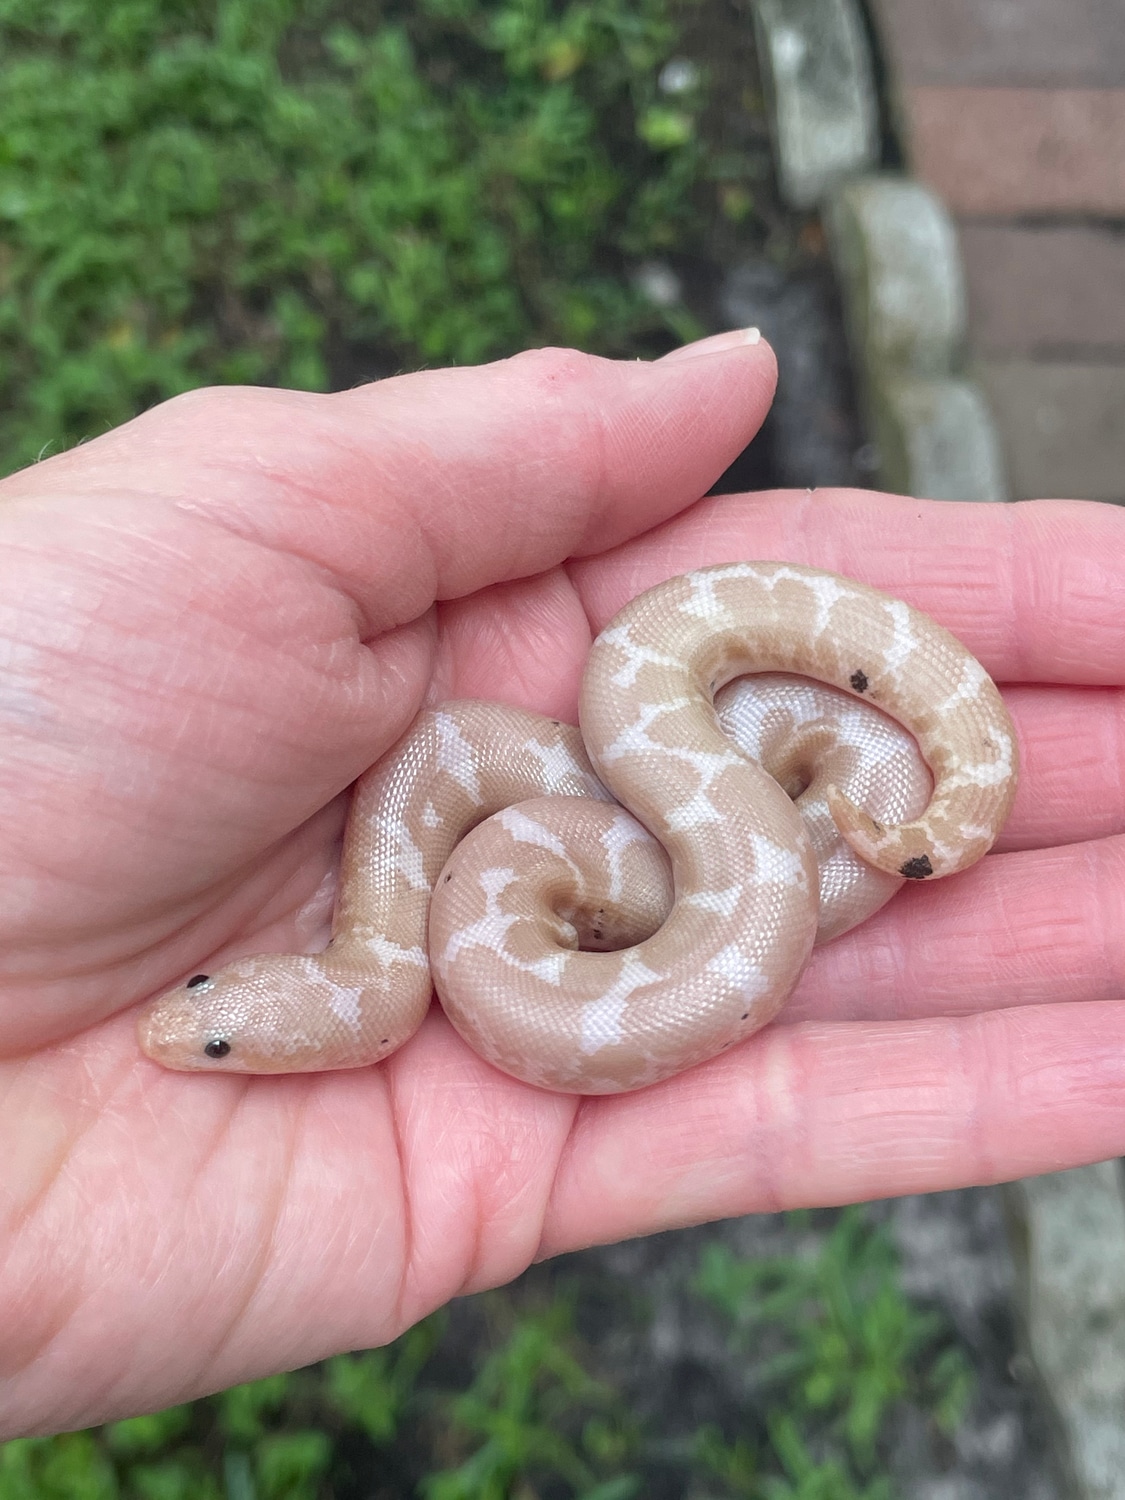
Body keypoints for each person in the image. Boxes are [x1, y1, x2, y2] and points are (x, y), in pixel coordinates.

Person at [1, 331, 1122, 1438]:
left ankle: (853, 790)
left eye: (213, 1011)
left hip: (703, 774)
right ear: (333, 1034)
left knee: (780, 814)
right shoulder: (426, 923)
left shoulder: (445, 879)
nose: (202, 1029)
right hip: (702, 832)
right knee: (760, 855)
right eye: (223, 1036)